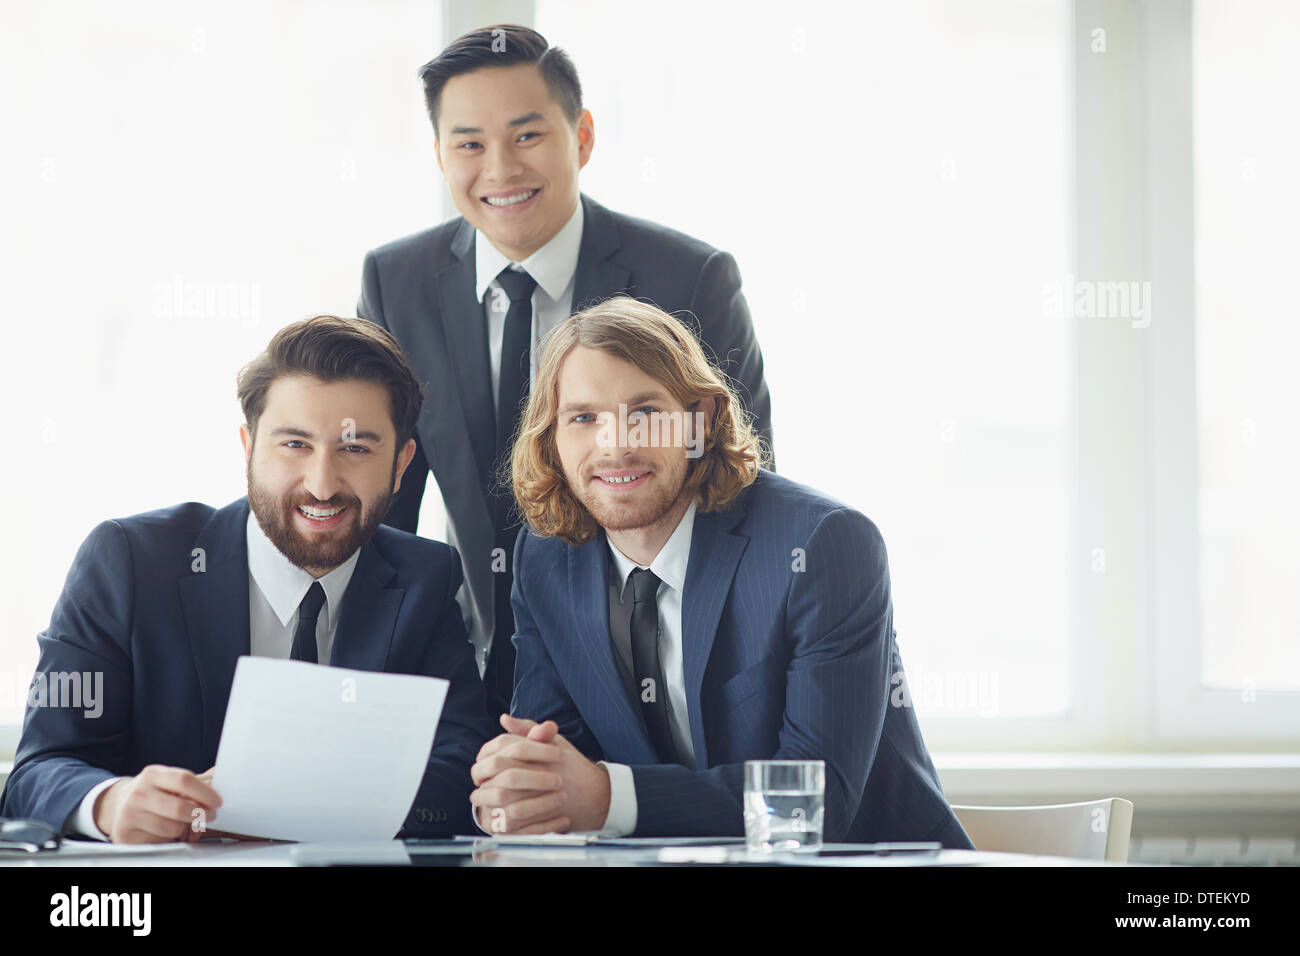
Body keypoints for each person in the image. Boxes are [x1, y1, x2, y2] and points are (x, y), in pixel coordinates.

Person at [358, 24, 774, 713]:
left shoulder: (690, 278)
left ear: (581, 136)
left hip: (644, 664)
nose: (499, 170)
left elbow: (742, 486)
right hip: (463, 666)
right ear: (439, 155)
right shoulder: (396, 280)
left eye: (527, 136)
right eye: (469, 144)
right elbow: (383, 499)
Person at [466, 297, 972, 847]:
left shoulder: (822, 544)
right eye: (583, 418)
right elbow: (555, 762)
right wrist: (520, 786)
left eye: (646, 413)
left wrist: (611, 798)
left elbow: (813, 808)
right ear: (553, 439)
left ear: (700, 422)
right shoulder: (545, 559)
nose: (616, 444)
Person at [0, 316, 494, 843]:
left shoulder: (426, 577)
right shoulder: (129, 563)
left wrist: (298, 804)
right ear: (248, 446)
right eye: (295, 445)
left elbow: (462, 772)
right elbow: (38, 771)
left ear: (401, 465)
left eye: (355, 448)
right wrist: (109, 804)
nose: (322, 485)